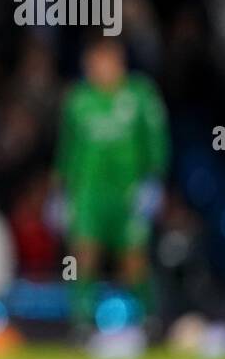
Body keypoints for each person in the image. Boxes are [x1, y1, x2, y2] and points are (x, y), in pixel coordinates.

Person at [51, 35, 169, 337]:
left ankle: (148, 320)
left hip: (129, 192)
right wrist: (60, 188)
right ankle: (81, 321)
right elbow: (68, 148)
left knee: (133, 256)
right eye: (92, 62)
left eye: (104, 61)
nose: (98, 68)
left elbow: (155, 140)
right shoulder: (78, 99)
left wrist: (154, 181)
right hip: (88, 192)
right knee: (84, 254)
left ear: (119, 61)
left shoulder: (140, 95)